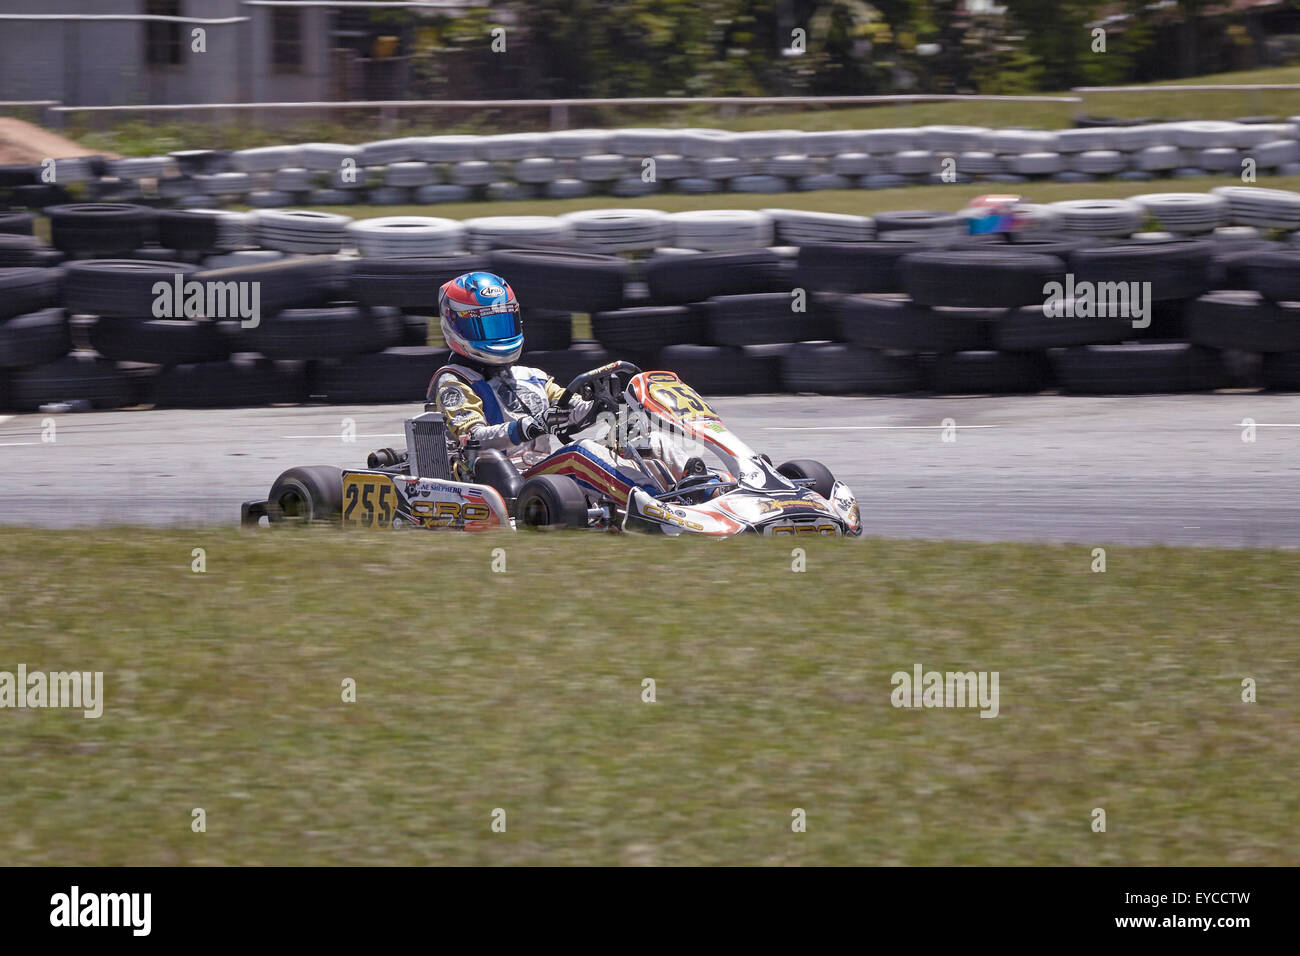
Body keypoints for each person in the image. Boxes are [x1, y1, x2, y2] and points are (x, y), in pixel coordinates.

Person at [426, 271, 595, 469]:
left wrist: (609, 402)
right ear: (456, 325)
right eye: (487, 325)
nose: (498, 335)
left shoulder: (533, 377)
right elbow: (474, 437)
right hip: (496, 479)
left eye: (503, 323)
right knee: (581, 458)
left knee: (592, 450)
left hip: (541, 475)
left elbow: (572, 408)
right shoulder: (455, 382)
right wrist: (531, 426)